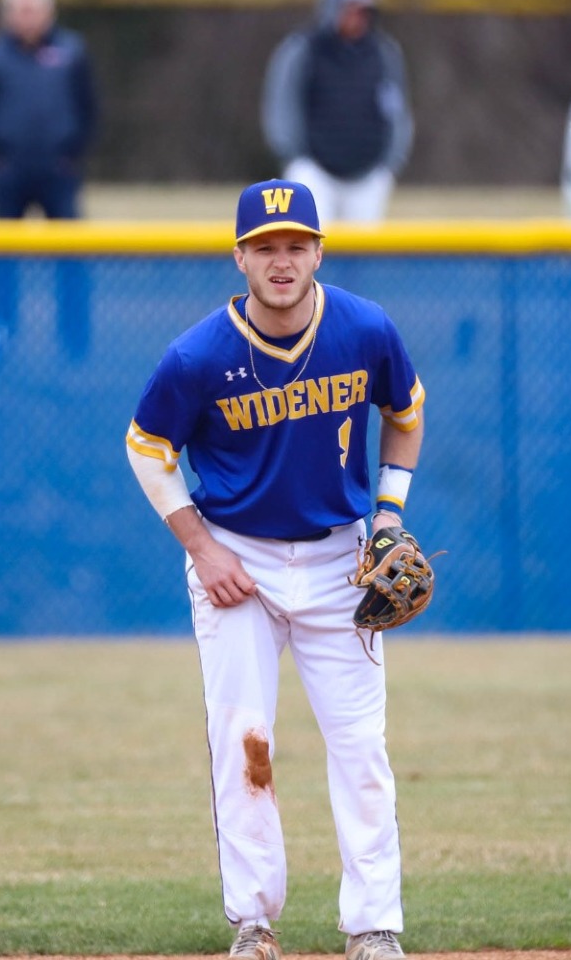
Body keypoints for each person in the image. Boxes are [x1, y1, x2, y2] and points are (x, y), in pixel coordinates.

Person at [124, 180, 427, 960]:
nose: (282, 261)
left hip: (340, 561)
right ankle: (253, 923)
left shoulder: (364, 330)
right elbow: (147, 448)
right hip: (238, 560)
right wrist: (202, 547)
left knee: (360, 746)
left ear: (320, 251)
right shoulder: (198, 356)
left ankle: (374, 927)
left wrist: (389, 516)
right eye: (266, 247)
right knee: (244, 741)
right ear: (240, 259)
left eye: (296, 245)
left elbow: (405, 412)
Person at [261, 0, 414, 224]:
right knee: (312, 249)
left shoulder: (384, 54)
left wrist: (389, 163)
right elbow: (282, 107)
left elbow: (396, 110)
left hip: (368, 174)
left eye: (364, 10)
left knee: (362, 258)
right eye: (352, 8)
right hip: (315, 171)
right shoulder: (302, 50)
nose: (358, 17)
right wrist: (294, 155)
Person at [0, 0, 98, 219]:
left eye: (33, 9)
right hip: (11, 170)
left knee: (68, 247)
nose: (27, 17)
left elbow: (88, 107)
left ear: (50, 11)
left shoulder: (72, 52)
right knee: (4, 249)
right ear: (7, 14)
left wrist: (72, 155)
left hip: (58, 169)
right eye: (21, 10)